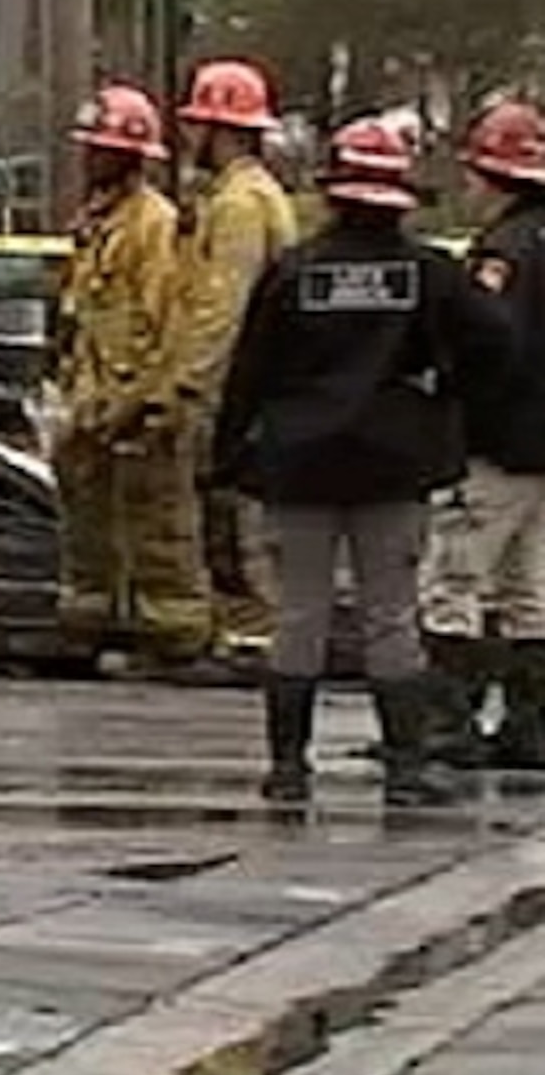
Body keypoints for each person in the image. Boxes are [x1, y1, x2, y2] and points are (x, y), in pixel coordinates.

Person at [212, 116, 502, 809]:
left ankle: (288, 769)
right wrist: (442, 395)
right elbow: (498, 344)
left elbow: (247, 372)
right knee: (391, 616)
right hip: (393, 466)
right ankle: (405, 768)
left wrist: (228, 455)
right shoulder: (429, 274)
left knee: (299, 616)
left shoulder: (294, 272)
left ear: (334, 193)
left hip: (298, 465)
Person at [55, 82, 214, 670]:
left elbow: (165, 324)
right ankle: (91, 630)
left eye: (101, 149)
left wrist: (146, 404)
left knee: (158, 534)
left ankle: (171, 642)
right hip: (92, 405)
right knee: (90, 530)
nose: (89, 159)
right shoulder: (99, 223)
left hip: (136, 408)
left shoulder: (154, 226)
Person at [420, 96, 545, 774]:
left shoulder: (501, 253)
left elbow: (488, 344)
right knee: (532, 589)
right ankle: (530, 729)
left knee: (456, 580)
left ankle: (450, 725)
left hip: (497, 446)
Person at [172, 57, 299, 657]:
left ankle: (253, 640)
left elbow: (223, 306)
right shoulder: (246, 195)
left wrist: (190, 386)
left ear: (219, 130)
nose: (190, 137)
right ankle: (248, 634)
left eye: (199, 125)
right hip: (253, 387)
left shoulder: (241, 204)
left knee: (231, 526)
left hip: (236, 394)